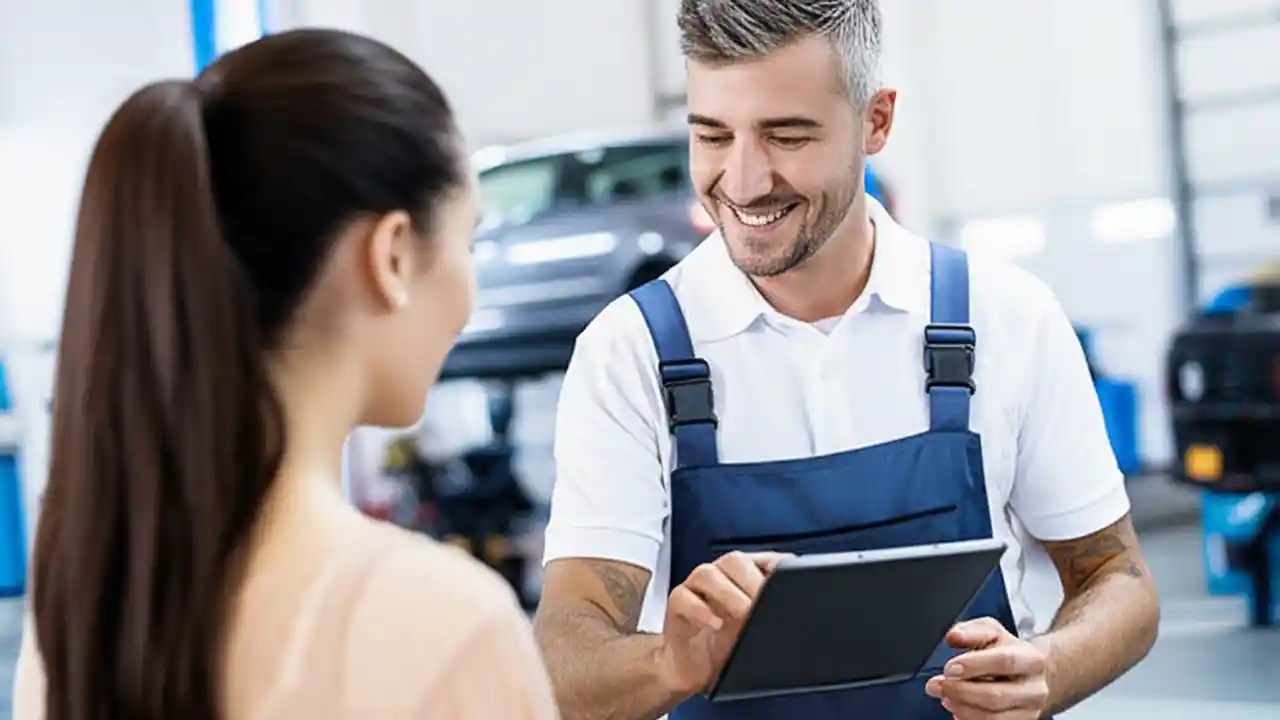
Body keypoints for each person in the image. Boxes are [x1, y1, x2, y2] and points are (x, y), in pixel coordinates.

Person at [532, 2, 1160, 719]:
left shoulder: (1005, 318)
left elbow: (1120, 579)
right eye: (712, 135)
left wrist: (1048, 667)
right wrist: (667, 663)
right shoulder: (629, 355)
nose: (742, 180)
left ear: (877, 121)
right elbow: (564, 670)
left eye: (786, 136)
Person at [13, 29, 559, 720]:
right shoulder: (442, 625)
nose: (470, 290)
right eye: (468, 241)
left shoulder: (78, 622)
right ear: (391, 256)